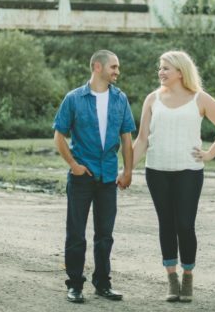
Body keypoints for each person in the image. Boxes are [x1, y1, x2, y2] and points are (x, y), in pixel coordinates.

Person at [132, 50, 215, 302]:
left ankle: (187, 275)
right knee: (166, 223)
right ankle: (171, 279)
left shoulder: (199, 98)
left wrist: (209, 154)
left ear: (180, 71)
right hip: (157, 171)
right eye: (160, 67)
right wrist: (125, 170)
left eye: (166, 68)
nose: (161, 72)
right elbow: (142, 139)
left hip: (189, 171)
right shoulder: (152, 99)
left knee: (185, 225)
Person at [53, 49, 135, 304]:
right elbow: (59, 135)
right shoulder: (74, 99)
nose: (117, 72)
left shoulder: (121, 99)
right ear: (97, 67)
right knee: (76, 233)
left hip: (108, 176)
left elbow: (126, 139)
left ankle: (103, 284)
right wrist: (73, 164)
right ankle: (75, 285)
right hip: (81, 177)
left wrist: (128, 170)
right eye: (114, 67)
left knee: (105, 235)